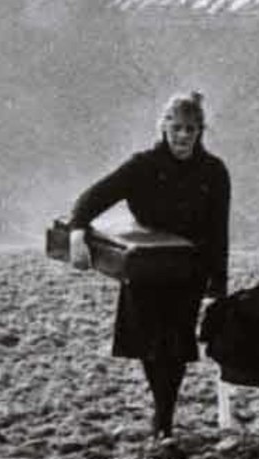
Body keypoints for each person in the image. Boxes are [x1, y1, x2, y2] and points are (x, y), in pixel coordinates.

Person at [68, 91, 233, 440]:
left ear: (201, 130)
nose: (184, 136)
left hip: (188, 268)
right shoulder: (142, 166)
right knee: (148, 344)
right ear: (163, 128)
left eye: (191, 129)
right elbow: (92, 198)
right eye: (177, 128)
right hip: (144, 266)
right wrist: (77, 231)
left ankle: (164, 417)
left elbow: (220, 231)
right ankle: (162, 413)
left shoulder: (215, 172)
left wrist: (218, 284)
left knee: (174, 346)